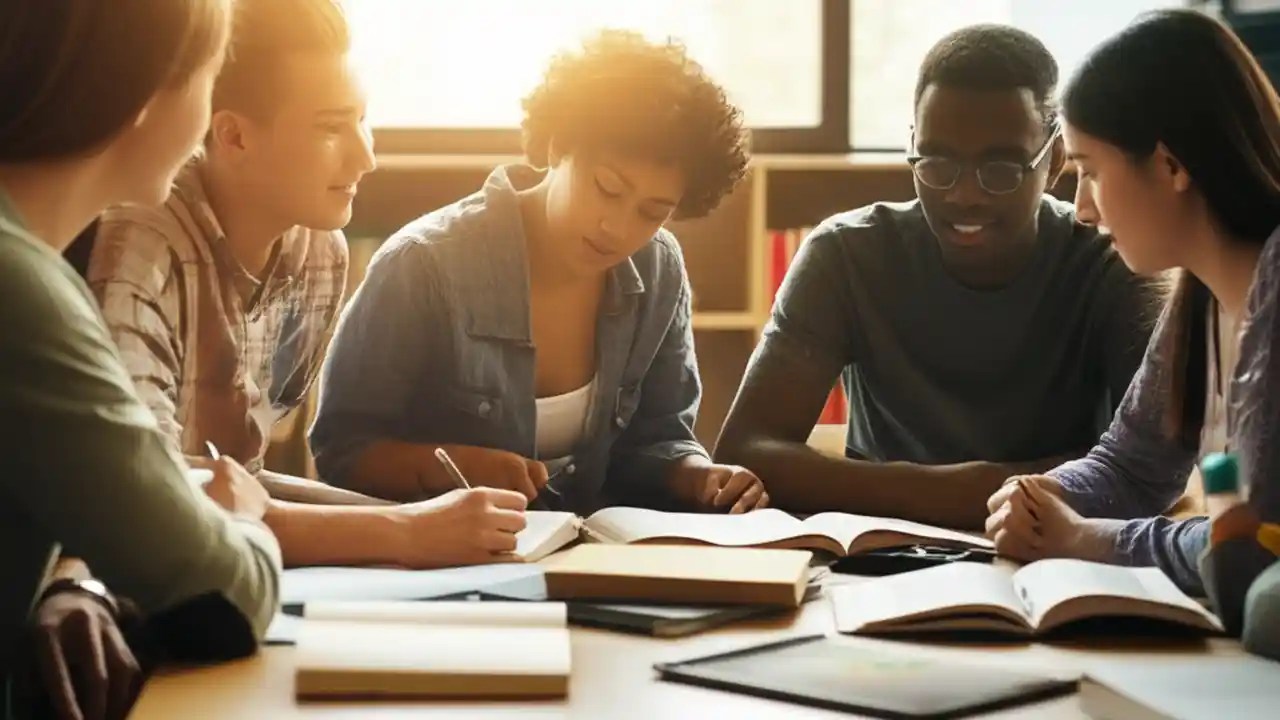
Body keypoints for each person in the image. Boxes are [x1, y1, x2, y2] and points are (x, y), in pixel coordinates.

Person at [82, 0, 528, 570]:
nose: (365, 157)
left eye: (362, 120)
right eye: (331, 127)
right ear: (234, 137)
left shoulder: (319, 252)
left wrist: (442, 522)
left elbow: (245, 482)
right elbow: (146, 492)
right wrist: (403, 532)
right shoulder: (142, 244)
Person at [715, 25, 1158, 529]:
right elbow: (744, 452)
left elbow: (1144, 473)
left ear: (1055, 159)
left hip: (1053, 554)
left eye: (1000, 169)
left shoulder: (1113, 266)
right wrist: (982, 488)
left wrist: (876, 485)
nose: (964, 195)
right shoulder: (845, 254)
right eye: (937, 163)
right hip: (879, 553)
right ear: (911, 147)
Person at [310, 30, 768, 515]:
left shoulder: (659, 270)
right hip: (445, 565)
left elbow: (658, 438)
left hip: (599, 560)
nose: (617, 228)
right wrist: (454, 467)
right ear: (557, 146)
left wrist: (698, 476)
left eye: (652, 212)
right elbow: (342, 451)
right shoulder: (423, 265)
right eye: (607, 188)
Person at [0, 1, 281, 719]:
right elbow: (228, 597)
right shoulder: (21, 290)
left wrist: (72, 574)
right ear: (147, 93)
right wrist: (245, 519)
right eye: (213, 75)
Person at [985, 9, 1280, 598]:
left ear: (1171, 165)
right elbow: (1131, 466)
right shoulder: (1199, 297)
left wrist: (1085, 540)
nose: (1083, 209)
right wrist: (1048, 497)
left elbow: (1251, 543)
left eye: (1090, 172)